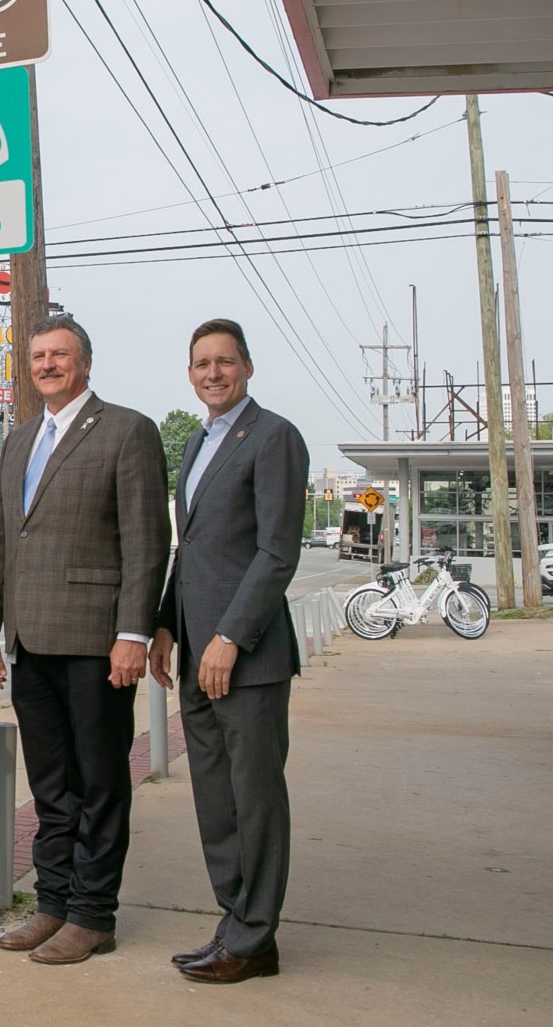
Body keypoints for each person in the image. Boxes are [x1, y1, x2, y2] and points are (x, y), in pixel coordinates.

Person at [0, 314, 170, 964]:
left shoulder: (127, 430)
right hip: (30, 640)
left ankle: (94, 915)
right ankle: (54, 904)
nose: (48, 365)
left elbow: (147, 541)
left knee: (100, 783)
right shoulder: (20, 440)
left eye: (60, 355)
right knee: (52, 786)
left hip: (97, 642)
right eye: (38, 356)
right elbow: (2, 539)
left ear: (85, 362)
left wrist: (133, 633)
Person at [150, 319, 309, 984]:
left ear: (247, 367)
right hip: (195, 651)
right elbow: (191, 549)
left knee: (255, 798)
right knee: (216, 799)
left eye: (224, 361)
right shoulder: (195, 444)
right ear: (190, 373)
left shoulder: (274, 438)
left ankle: (254, 936)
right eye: (201, 363)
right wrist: (163, 623)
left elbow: (277, 552)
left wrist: (227, 638)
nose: (212, 373)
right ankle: (235, 925)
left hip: (247, 659)